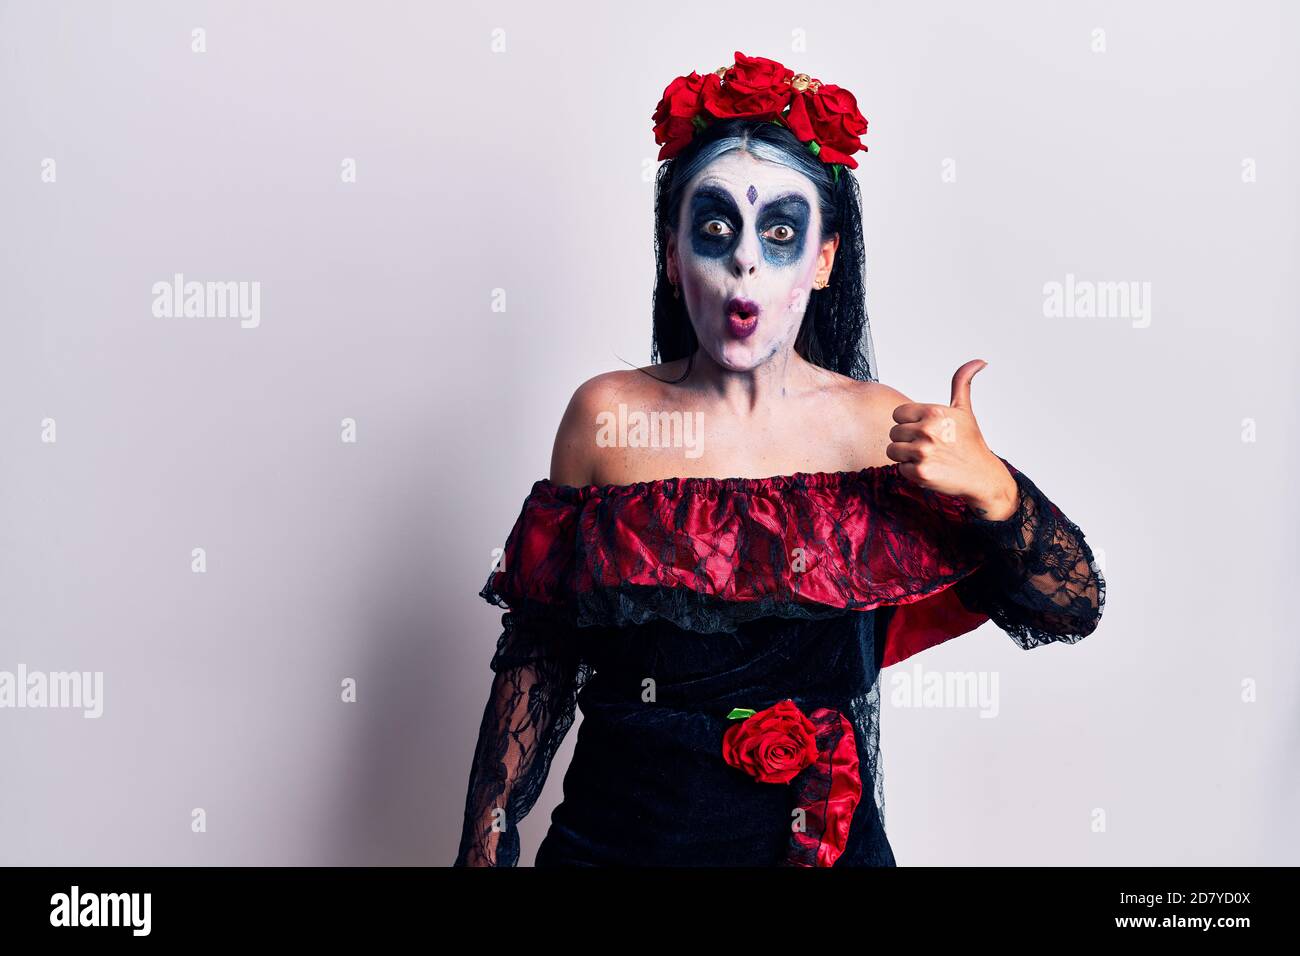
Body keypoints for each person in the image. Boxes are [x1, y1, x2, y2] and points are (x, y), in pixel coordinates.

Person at [453, 51, 1106, 867]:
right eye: (716, 229)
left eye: (781, 232)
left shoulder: (879, 430)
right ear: (671, 253)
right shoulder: (606, 418)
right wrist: (485, 835)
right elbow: (543, 650)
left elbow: (1069, 608)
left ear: (825, 259)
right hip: (614, 847)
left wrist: (996, 490)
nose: (746, 264)